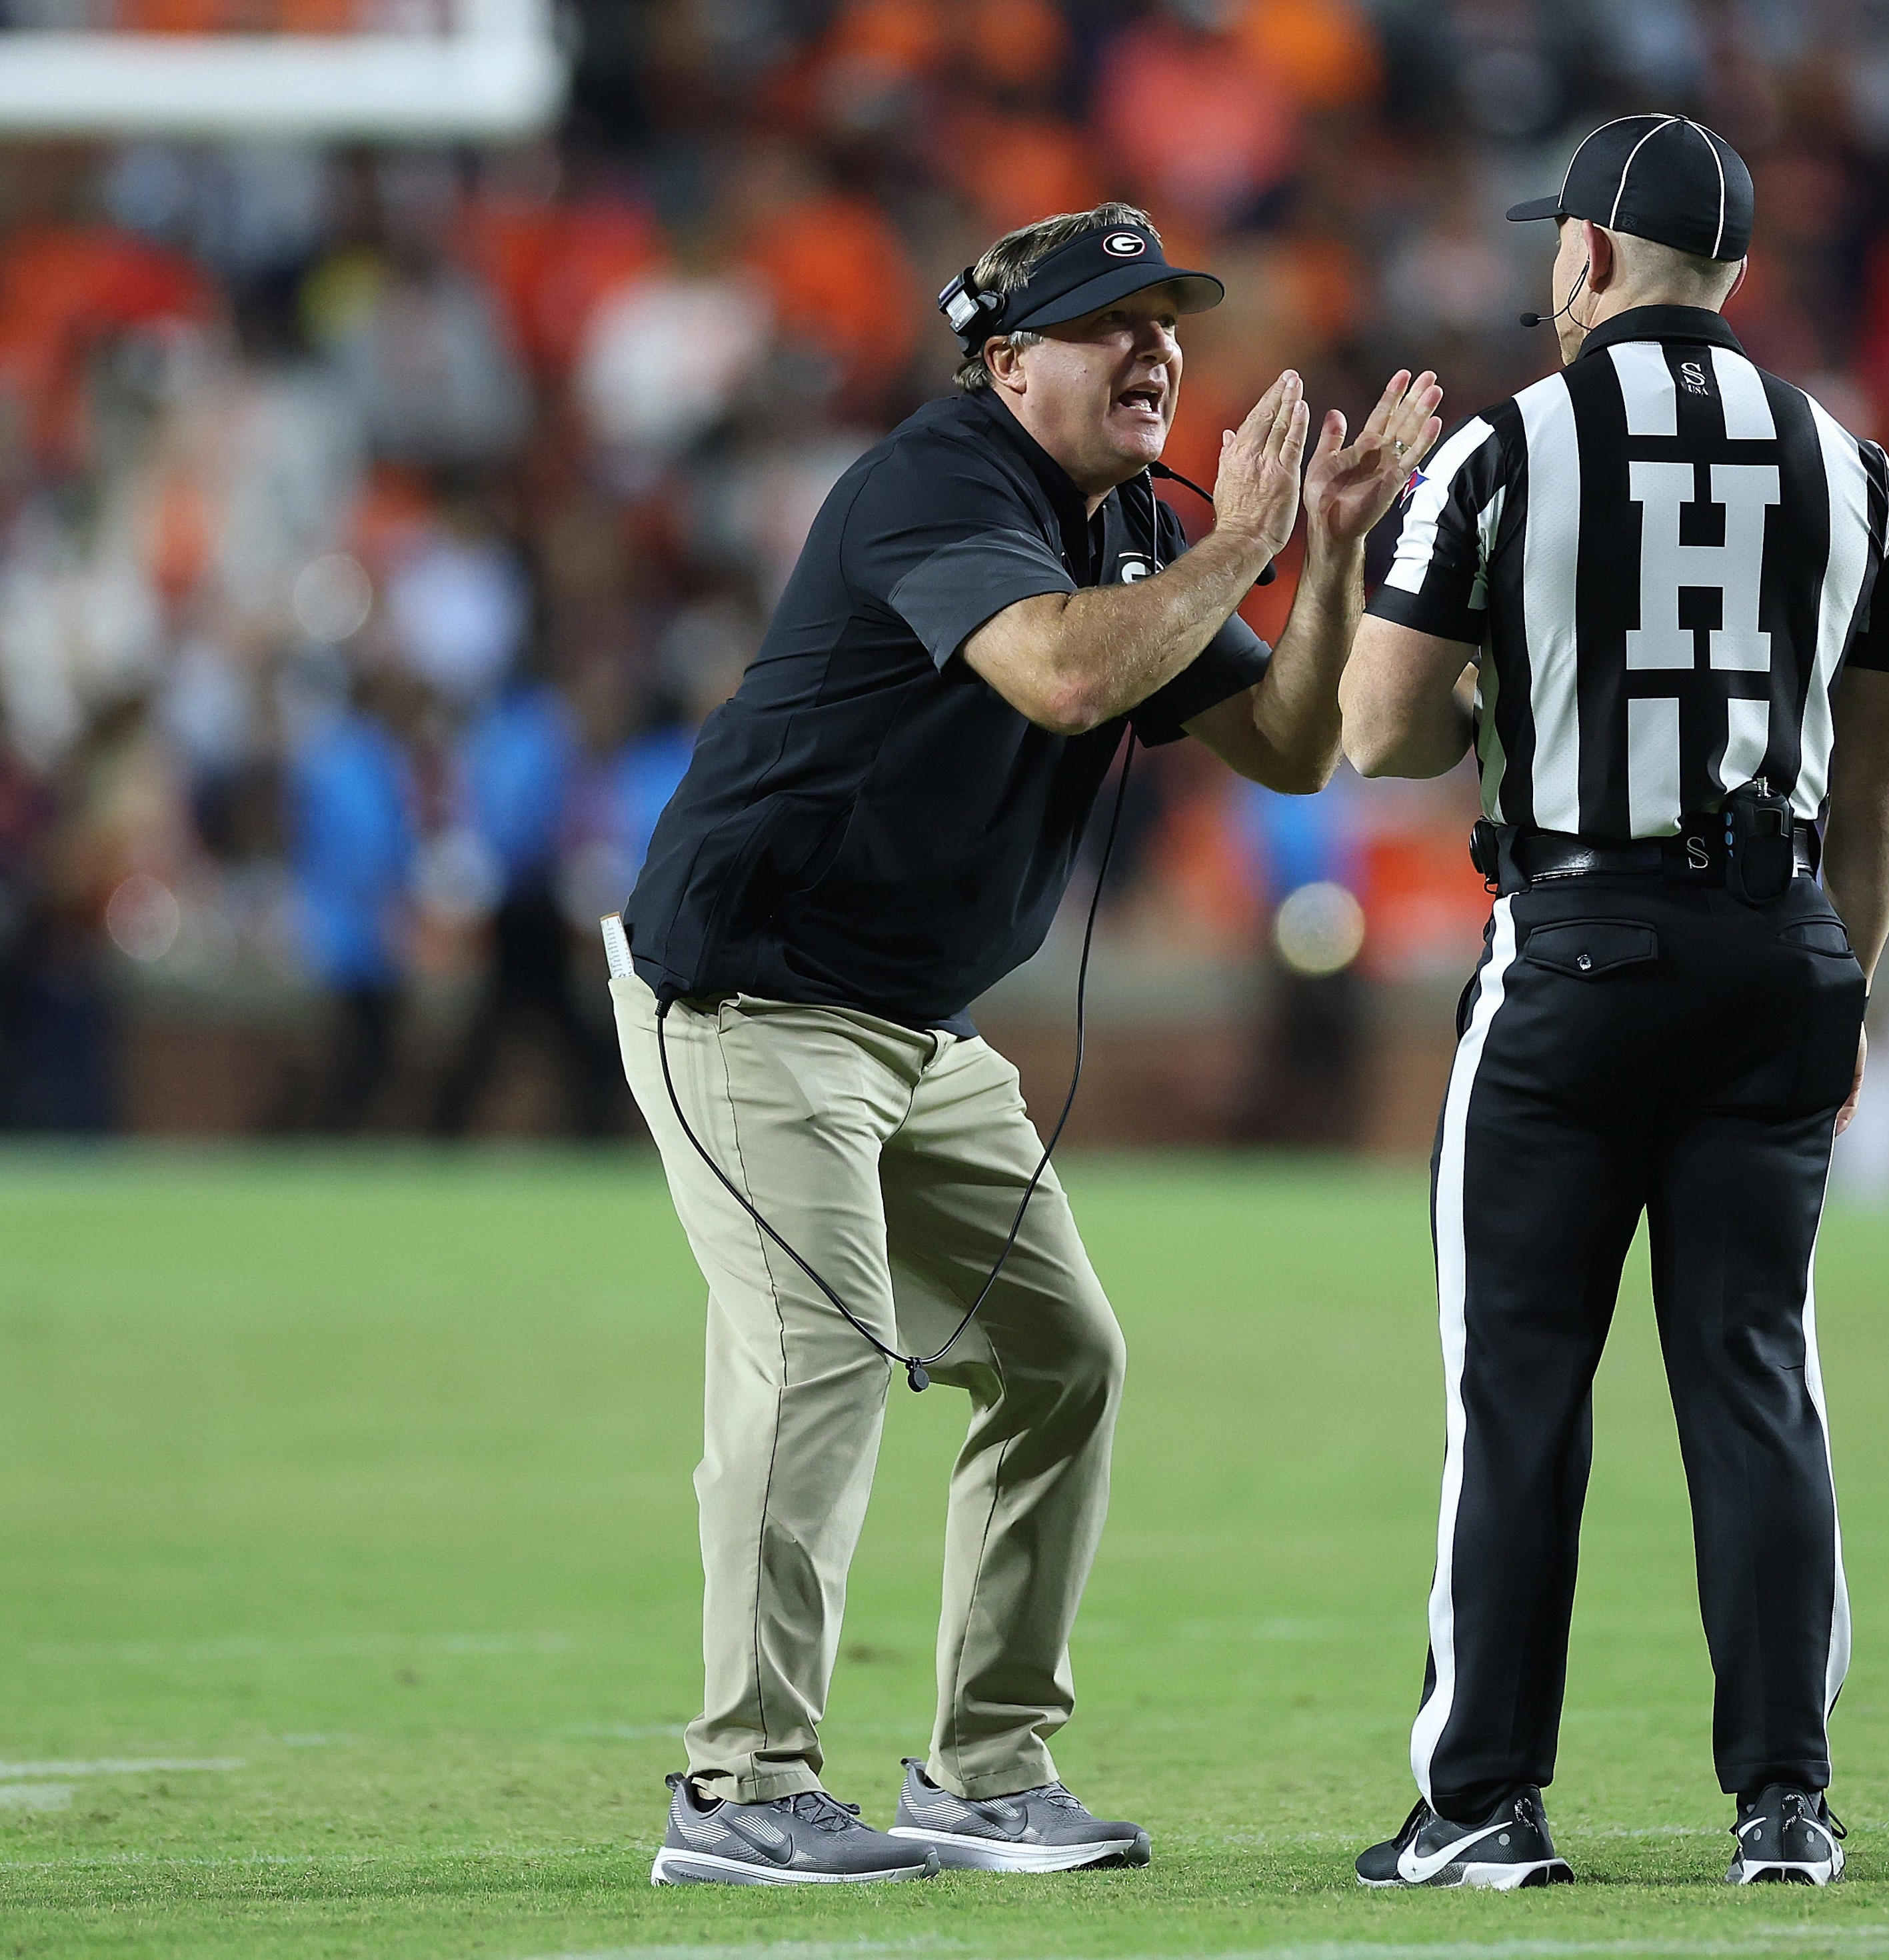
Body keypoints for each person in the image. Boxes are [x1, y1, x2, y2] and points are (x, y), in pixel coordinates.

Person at [613, 201, 1441, 1886]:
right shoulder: (946, 480)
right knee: (826, 1349)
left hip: (918, 1026)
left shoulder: (1133, 518)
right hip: (755, 998)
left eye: (1168, 323)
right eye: (1110, 325)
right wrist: (1242, 544)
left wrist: (1332, 551)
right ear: (1006, 363)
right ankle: (742, 1788)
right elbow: (1061, 678)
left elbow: (1290, 749)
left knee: (1066, 1359)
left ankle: (985, 1772)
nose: (1156, 351)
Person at [1338, 117, 1889, 1889]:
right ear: (1729, 278)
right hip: (1776, 954)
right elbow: (1887, 784)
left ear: (1587, 258)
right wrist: (1837, 995)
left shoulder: (1505, 451)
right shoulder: (1851, 468)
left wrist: (1444, 664)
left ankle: (1480, 1805)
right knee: (1751, 1376)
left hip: (1576, 950)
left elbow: (1375, 734)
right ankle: (1782, 1801)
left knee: (1517, 1383)